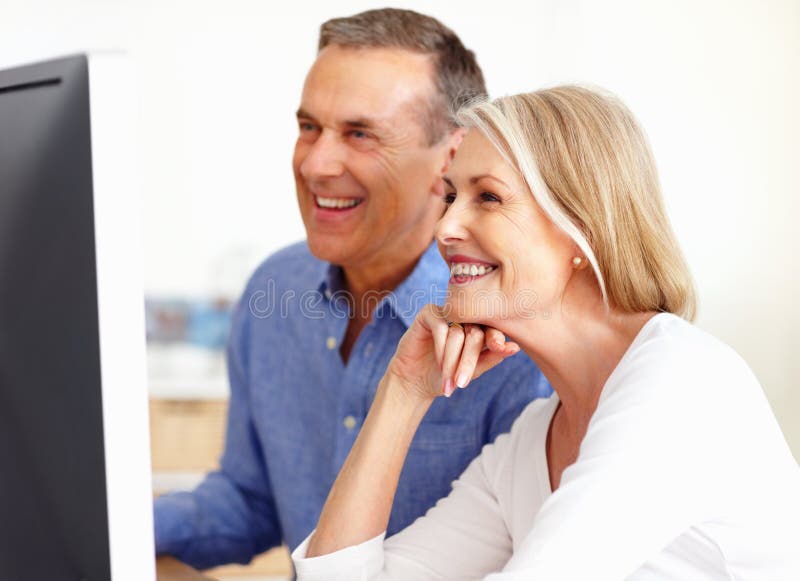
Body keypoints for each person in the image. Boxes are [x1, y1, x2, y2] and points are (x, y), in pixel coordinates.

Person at [291, 86, 800, 579]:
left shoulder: (681, 382)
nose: (444, 228)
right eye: (449, 198)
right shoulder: (531, 442)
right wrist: (403, 389)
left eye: (487, 197)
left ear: (583, 225)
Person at [152, 9, 551, 570]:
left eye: (360, 134)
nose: (315, 164)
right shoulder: (273, 291)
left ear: (453, 156)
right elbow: (252, 500)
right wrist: (114, 521)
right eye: (308, 127)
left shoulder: (514, 337)